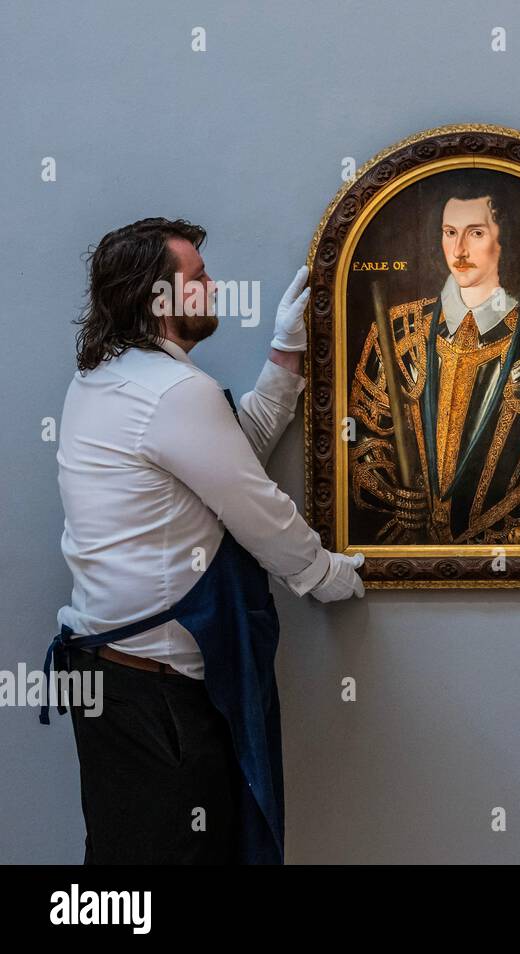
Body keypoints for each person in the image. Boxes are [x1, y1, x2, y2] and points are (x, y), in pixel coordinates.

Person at [41, 217, 366, 864]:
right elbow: (255, 508)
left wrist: (283, 355)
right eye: (200, 278)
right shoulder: (174, 394)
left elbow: (226, 458)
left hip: (113, 682)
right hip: (155, 697)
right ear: (157, 298)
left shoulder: (106, 379)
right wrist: (326, 574)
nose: (215, 289)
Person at [348, 171, 520, 545]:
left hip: (514, 542)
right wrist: (389, 490)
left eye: (475, 233)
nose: (459, 250)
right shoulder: (400, 330)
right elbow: (362, 438)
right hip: (410, 550)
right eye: (450, 232)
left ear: (504, 239)